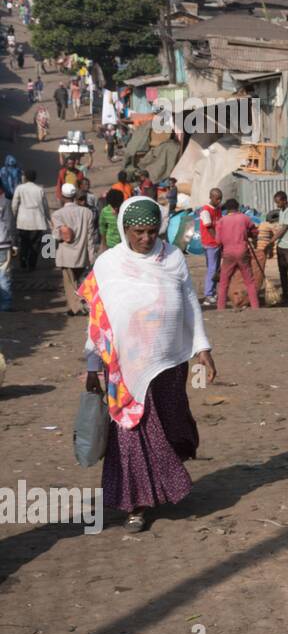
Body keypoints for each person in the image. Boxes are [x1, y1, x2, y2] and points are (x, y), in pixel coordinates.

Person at [81, 196, 216, 532]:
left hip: (169, 363)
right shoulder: (108, 264)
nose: (145, 238)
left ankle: (160, 485)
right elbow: (97, 320)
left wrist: (202, 347)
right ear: (125, 228)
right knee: (133, 432)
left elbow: (189, 302)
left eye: (152, 232)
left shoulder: (173, 258)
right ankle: (136, 505)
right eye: (138, 232)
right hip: (124, 367)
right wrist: (92, 365)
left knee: (168, 426)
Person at [52, 185, 97, 315]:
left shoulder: (57, 214)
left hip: (66, 256)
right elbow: (91, 237)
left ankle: (77, 308)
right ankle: (74, 308)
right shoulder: (87, 212)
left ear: (62, 197)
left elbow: (56, 236)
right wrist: (91, 256)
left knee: (70, 284)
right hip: (82, 254)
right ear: (74, 196)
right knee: (78, 283)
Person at [214, 199, 259, 311]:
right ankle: (255, 306)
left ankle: (221, 307)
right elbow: (254, 232)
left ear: (227, 209)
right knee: (249, 281)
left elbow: (218, 241)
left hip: (228, 254)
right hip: (243, 252)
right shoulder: (244, 218)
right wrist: (250, 236)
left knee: (224, 282)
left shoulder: (221, 221)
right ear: (237, 207)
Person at [12, 169, 50, 271]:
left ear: (25, 177)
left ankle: (23, 260)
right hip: (37, 221)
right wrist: (48, 218)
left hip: (23, 221)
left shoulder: (20, 188)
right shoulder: (39, 189)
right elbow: (45, 206)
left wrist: (14, 216)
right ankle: (32, 264)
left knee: (24, 242)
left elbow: (14, 204)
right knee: (35, 243)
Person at [197, 188, 223, 305]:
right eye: (217, 199)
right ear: (211, 197)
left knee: (216, 268)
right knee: (212, 269)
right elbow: (209, 228)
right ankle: (208, 295)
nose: (219, 201)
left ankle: (213, 291)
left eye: (220, 199)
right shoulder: (205, 211)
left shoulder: (218, 209)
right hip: (210, 243)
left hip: (217, 243)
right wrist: (218, 240)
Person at [0, 191, 13, 311]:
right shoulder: (5, 202)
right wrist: (14, 244)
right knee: (3, 274)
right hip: (3, 243)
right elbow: (9, 224)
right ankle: (5, 306)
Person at [99, 189, 124, 253]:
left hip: (124, 244)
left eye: (118, 205)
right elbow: (102, 228)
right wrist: (104, 244)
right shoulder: (105, 211)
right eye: (114, 206)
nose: (116, 208)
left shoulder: (125, 210)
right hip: (111, 244)